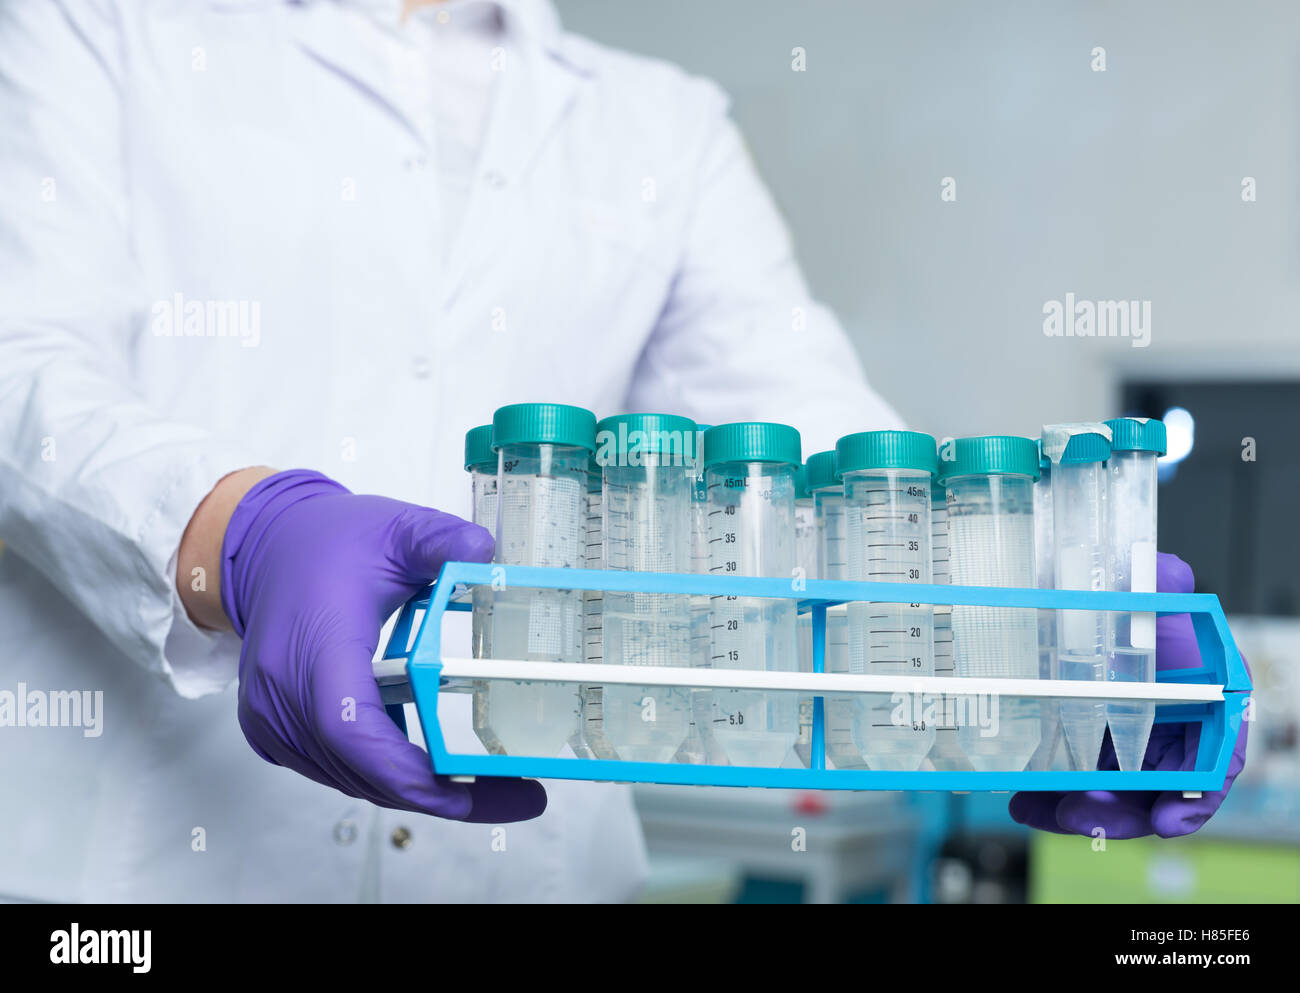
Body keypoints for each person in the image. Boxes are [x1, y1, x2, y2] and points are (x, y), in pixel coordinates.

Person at [0, 0, 1242, 903]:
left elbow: (811, 444)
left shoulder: (659, 125)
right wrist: (238, 534)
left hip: (529, 871)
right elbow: (19, 358)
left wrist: (1059, 624)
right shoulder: (89, 28)